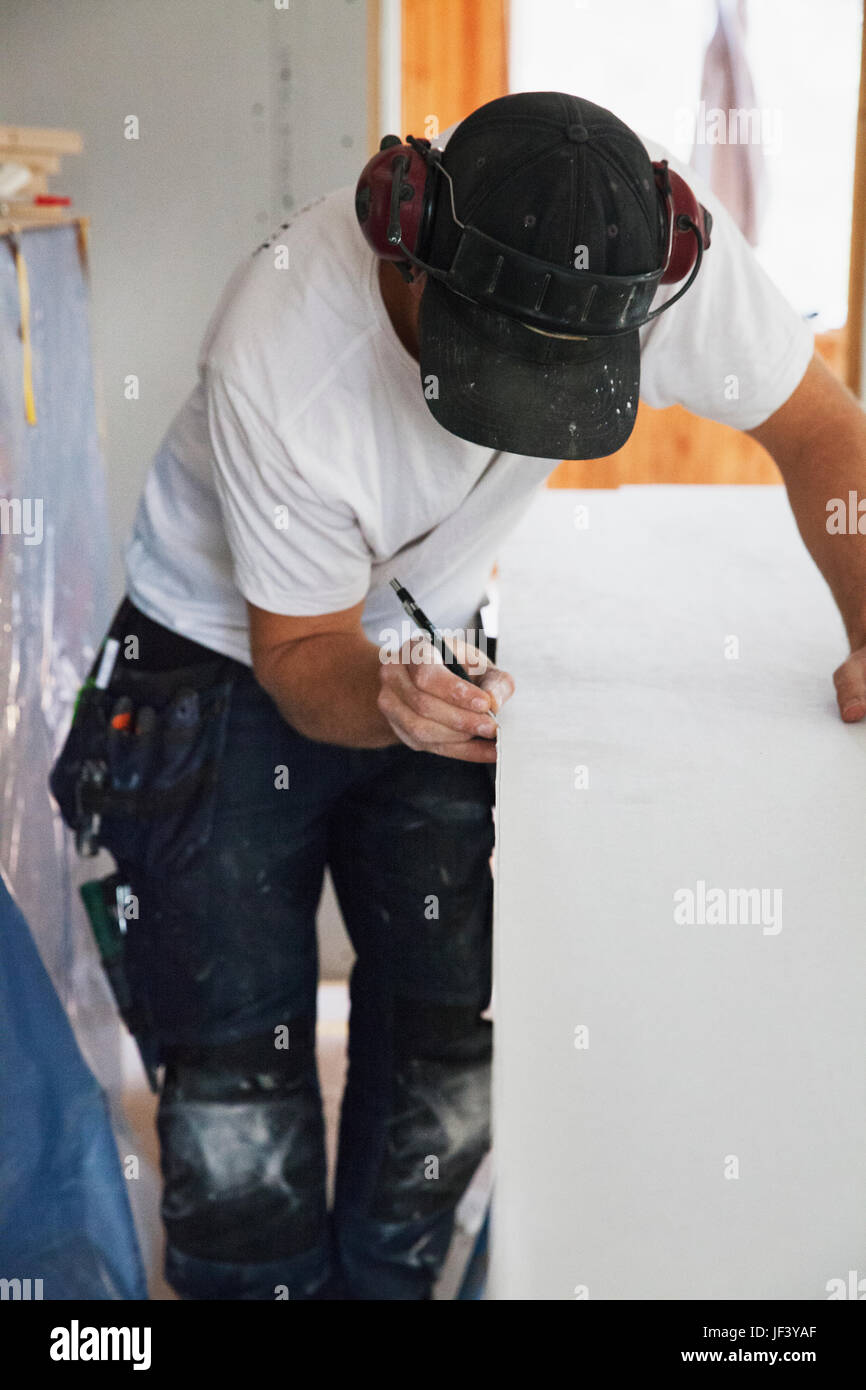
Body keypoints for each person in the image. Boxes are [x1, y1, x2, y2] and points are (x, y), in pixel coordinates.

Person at [60, 91, 866, 1300]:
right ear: (411, 248)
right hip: (222, 664)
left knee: (445, 1064)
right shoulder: (285, 340)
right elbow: (300, 658)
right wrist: (386, 698)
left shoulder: (654, 267)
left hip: (431, 641)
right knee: (238, 1104)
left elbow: (819, 433)